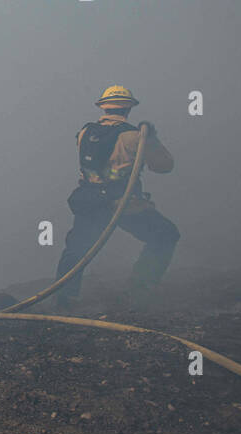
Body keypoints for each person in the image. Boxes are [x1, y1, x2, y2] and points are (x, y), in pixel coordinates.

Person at [55, 86, 178, 309]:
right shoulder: (134, 137)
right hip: (124, 203)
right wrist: (151, 139)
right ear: (129, 108)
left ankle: (64, 297)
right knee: (165, 235)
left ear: (103, 107)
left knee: (77, 248)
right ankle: (139, 288)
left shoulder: (84, 133)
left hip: (91, 201)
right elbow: (164, 166)